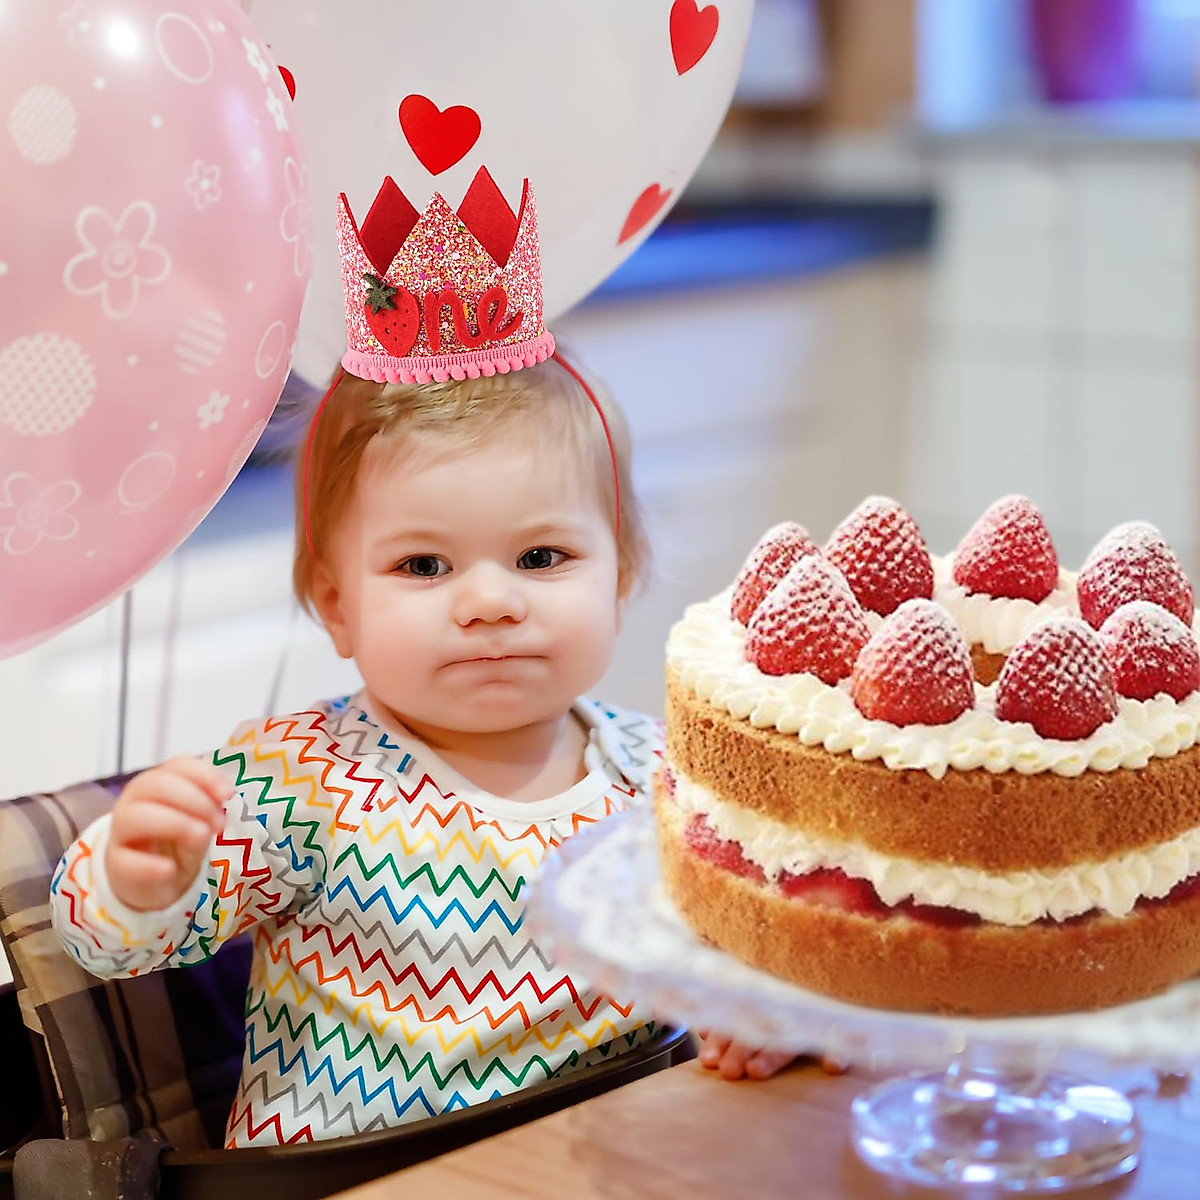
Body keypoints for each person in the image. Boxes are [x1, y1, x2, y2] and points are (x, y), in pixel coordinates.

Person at [49, 168, 801, 1149]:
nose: (490, 600)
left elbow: (751, 951)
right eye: (423, 564)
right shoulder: (298, 780)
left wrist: (759, 1015)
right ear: (337, 605)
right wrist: (138, 875)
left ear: (621, 576)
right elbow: (115, 945)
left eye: (542, 557)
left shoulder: (661, 779)